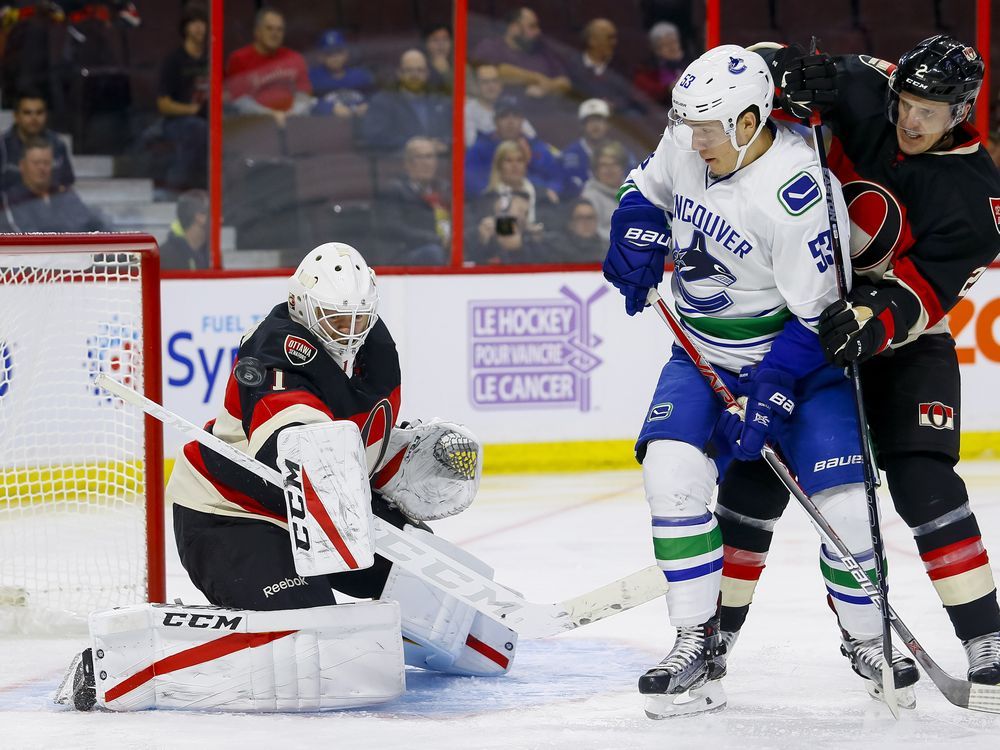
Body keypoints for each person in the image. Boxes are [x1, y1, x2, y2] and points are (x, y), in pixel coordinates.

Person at [601, 45, 914, 717]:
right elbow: (643, 190)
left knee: (845, 505)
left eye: (708, 129)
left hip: (801, 365)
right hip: (702, 356)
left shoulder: (799, 191)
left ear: (749, 121)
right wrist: (632, 231)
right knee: (670, 474)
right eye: (687, 125)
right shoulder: (690, 138)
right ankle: (696, 640)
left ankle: (867, 639)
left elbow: (818, 318)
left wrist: (768, 392)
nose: (694, 141)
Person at [714, 35, 1000, 690]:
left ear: (961, 112)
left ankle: (986, 636)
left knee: (925, 480)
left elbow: (924, 293)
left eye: (931, 111)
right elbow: (758, 70)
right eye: (907, 104)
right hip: (801, 321)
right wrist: (784, 71)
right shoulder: (867, 83)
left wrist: (875, 319)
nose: (911, 121)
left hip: (899, 341)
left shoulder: (979, 197)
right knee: (758, 471)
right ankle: (712, 634)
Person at [225, 6, 312, 126]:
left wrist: (292, 115)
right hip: (255, 125)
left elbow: (304, 95)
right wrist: (271, 116)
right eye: (269, 28)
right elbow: (239, 101)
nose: (275, 34)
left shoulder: (295, 58)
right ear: (257, 32)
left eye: (279, 30)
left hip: (293, 122)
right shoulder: (239, 59)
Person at [465, 95, 562, 199]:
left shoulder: (536, 147)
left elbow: (557, 179)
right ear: (495, 121)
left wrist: (546, 189)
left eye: (515, 116)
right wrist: (504, 192)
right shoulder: (480, 147)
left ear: (522, 120)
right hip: (493, 201)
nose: (510, 122)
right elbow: (469, 180)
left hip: (533, 199)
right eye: (504, 116)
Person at [156, 3, 208, 191]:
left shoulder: (212, 59)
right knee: (197, 129)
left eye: (202, 22)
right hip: (177, 122)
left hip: (209, 118)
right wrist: (191, 110)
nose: (199, 27)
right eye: (194, 23)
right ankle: (176, 184)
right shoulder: (174, 60)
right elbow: (163, 104)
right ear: (185, 28)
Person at [3, 137, 106, 232]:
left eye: (46, 163)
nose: (42, 168)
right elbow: (25, 234)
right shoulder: (10, 200)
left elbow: (91, 221)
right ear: (22, 165)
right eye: (36, 163)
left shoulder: (65, 195)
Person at [360, 49, 451, 153]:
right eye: (409, 70)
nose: (414, 75)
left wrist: (444, 143)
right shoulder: (382, 101)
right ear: (399, 73)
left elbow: (452, 133)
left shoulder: (440, 100)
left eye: (420, 70)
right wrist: (409, 144)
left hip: (439, 159)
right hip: (398, 160)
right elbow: (374, 137)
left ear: (427, 73)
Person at [377, 136, 450, 265]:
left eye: (430, 157)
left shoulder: (445, 188)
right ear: (407, 163)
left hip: (446, 248)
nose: (427, 163)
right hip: (409, 253)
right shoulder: (395, 191)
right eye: (420, 157)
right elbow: (393, 228)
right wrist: (436, 239)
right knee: (433, 252)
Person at [470, 7, 570, 99]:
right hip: (502, 110)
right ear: (514, 28)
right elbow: (494, 72)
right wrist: (535, 78)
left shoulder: (542, 50)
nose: (538, 31)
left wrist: (549, 87)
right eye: (532, 26)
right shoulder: (490, 48)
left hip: (544, 110)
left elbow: (565, 83)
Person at [0, 91, 74, 194]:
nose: (34, 118)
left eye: (39, 112)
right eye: (27, 113)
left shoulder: (58, 144)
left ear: (46, 115)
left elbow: (66, 184)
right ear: (16, 116)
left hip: (50, 203)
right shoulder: (2, 146)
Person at [464, 63, 537, 146]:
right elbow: (471, 144)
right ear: (476, 85)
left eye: (494, 81)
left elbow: (531, 136)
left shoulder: (510, 105)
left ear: (501, 85)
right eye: (485, 82)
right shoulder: (467, 110)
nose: (491, 86)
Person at [308, 29, 374, 118]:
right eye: (329, 54)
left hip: (360, 121)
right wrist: (329, 108)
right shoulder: (313, 78)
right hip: (328, 123)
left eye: (338, 52)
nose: (335, 58)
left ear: (346, 53)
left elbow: (375, 98)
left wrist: (367, 105)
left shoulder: (361, 75)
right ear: (321, 57)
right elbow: (305, 103)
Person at [631, 22, 689, 110]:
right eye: (666, 45)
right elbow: (645, 95)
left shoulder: (689, 63)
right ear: (656, 50)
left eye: (674, 42)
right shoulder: (646, 70)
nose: (672, 48)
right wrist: (668, 88)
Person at [581, 140, 631, 239]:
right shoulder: (589, 197)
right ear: (596, 170)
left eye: (614, 164)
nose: (609, 170)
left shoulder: (634, 192)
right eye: (604, 165)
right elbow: (594, 233)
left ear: (622, 168)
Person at [160, 189, 210, 271]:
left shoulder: (211, 255)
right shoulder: (165, 257)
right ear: (200, 217)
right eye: (213, 213)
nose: (221, 219)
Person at [562, 197, 606, 262]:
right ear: (571, 223)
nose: (586, 223)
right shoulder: (559, 250)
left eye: (590, 218)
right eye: (580, 218)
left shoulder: (607, 250)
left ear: (596, 221)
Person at [422, 23, 453, 94]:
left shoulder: (462, 69)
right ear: (426, 44)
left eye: (445, 39)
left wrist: (446, 73)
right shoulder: (419, 66)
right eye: (435, 40)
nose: (441, 44)